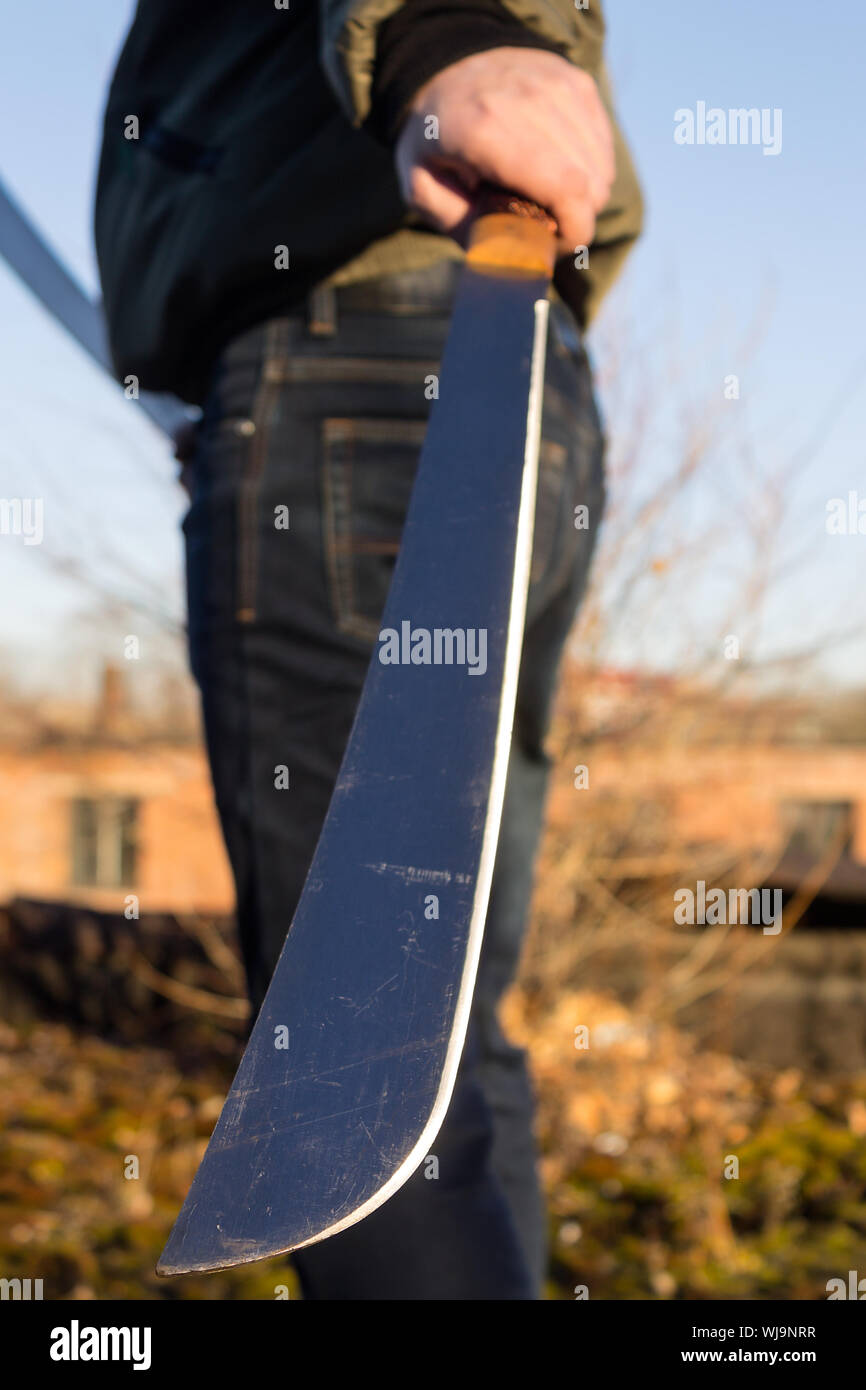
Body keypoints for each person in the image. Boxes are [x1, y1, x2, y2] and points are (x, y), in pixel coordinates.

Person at [95, 0, 642, 1300]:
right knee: (437, 1052)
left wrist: (446, 32)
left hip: (379, 371)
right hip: (486, 371)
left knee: (353, 1070)